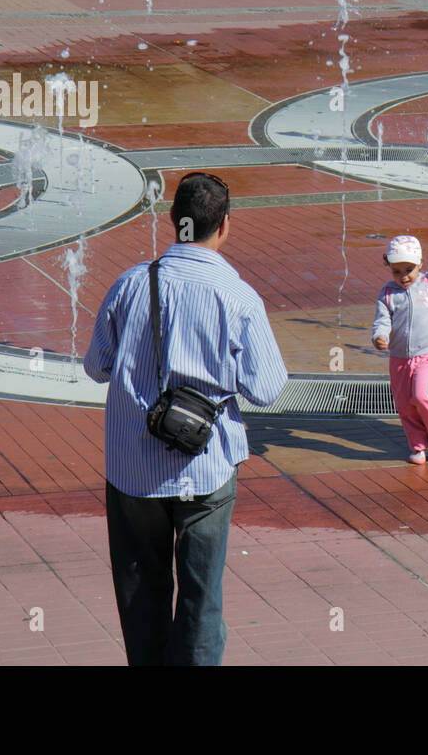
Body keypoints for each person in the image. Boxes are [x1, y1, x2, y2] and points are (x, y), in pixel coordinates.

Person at [84, 171, 287, 665]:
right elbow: (266, 387)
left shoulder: (131, 283)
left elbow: (96, 367)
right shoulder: (238, 297)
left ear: (174, 221)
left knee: (140, 593)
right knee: (200, 598)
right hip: (206, 469)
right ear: (225, 226)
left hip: (133, 467)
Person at [371, 235, 428, 464]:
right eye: (397, 271)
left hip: (427, 353)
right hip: (399, 357)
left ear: (421, 263)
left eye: (409, 269)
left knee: (422, 395)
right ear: (389, 268)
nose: (404, 276)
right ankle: (417, 446)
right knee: (404, 404)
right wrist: (379, 336)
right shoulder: (387, 294)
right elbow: (382, 321)